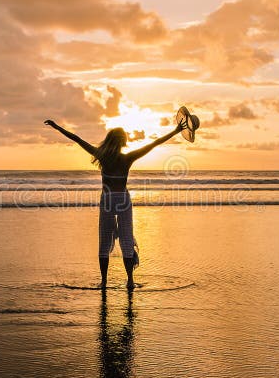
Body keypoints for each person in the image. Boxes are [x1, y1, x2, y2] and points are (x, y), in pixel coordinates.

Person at [44, 118, 185, 290]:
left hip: (108, 201)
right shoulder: (128, 158)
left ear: (110, 139)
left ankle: (104, 282)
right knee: (126, 241)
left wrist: (57, 127)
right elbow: (155, 143)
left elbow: (77, 139)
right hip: (123, 201)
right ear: (123, 142)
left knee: (104, 243)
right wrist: (176, 130)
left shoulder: (102, 156)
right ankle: (130, 281)